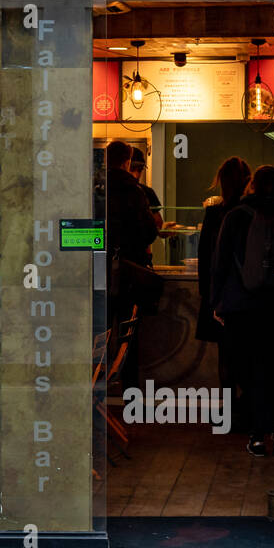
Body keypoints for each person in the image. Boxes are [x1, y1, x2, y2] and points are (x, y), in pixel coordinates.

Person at [211, 165, 274, 456]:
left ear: (251, 184)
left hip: (240, 305)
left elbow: (220, 262)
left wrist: (216, 302)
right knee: (269, 366)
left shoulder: (235, 215)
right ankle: (270, 425)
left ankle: (256, 432)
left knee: (245, 367)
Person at [104, 140, 160, 390]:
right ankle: (130, 391)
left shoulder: (94, 188)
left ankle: (98, 385)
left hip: (99, 271)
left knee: (100, 332)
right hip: (129, 271)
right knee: (129, 333)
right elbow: (149, 231)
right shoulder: (134, 191)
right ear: (127, 162)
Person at [196, 157, 251, 399]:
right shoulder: (250, 212)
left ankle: (228, 408)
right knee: (248, 356)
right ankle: (249, 408)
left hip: (219, 296)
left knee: (225, 355)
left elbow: (204, 257)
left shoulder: (214, 213)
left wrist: (208, 295)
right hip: (247, 295)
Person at [127, 148, 164, 234]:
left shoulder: (148, 192)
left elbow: (160, 228)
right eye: (132, 169)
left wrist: (166, 229)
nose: (136, 175)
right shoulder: (112, 191)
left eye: (140, 170)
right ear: (125, 166)